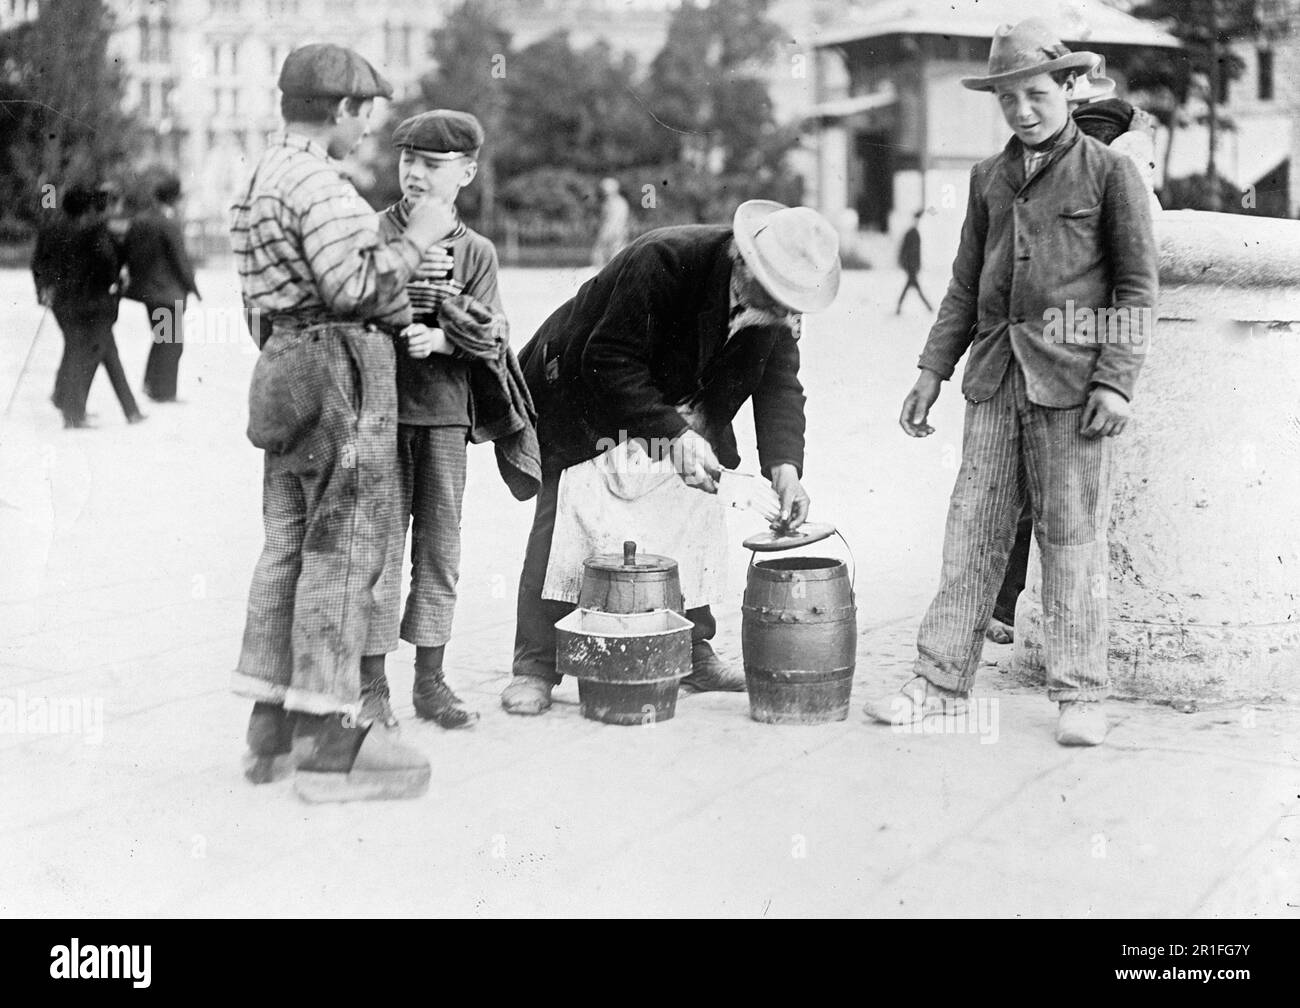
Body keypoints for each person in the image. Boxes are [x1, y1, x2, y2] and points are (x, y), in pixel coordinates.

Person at [863, 19, 1158, 747]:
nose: (1023, 111)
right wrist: (932, 370)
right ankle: (938, 681)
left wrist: (1116, 382)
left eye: (1036, 94)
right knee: (973, 528)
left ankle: (1081, 694)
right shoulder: (986, 178)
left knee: (1072, 538)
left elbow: (1135, 287)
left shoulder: (1110, 171)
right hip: (994, 380)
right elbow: (965, 285)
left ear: (1068, 87)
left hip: (1074, 384)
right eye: (1008, 99)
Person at [502, 200, 841, 716]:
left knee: (692, 515)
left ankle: (689, 651)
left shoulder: (776, 304)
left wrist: (785, 469)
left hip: (679, 405)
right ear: (746, 264)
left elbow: (779, 385)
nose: (787, 314)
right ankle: (535, 665)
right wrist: (674, 434)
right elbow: (607, 357)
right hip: (582, 390)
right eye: (779, 298)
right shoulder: (662, 260)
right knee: (568, 525)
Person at [230, 43, 458, 802]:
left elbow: (264, 298)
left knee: (288, 545)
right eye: (365, 114)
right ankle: (334, 738)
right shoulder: (318, 182)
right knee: (346, 546)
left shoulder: (261, 175)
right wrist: (420, 236)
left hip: (283, 365)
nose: (367, 132)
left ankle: (273, 725)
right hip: (339, 372)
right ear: (338, 109)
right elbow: (355, 283)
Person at [366, 109, 540, 731]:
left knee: (439, 551)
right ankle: (370, 688)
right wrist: (397, 311)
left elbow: (493, 333)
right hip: (377, 416)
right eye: (407, 160)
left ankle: (430, 681)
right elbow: (346, 304)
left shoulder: (476, 251)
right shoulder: (373, 233)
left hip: (443, 418)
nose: (415, 174)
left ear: (466, 172)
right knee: (378, 549)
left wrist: (442, 341)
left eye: (432, 164)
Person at [985, 56, 1164, 647]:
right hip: (1073, 346)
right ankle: (1022, 615)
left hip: (1066, 344)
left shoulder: (1092, 148)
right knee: (1060, 512)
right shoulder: (1119, 138)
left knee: (1036, 509)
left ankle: (1009, 608)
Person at [31, 183, 145, 429]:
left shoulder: (51, 228)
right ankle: (73, 413)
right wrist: (116, 282)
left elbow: (38, 263)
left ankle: (129, 409)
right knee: (84, 353)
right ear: (89, 207)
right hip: (95, 303)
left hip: (63, 302)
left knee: (101, 350)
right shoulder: (94, 231)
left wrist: (44, 291)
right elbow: (106, 262)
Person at [123, 171, 201, 403]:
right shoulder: (168, 224)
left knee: (161, 338)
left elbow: (129, 251)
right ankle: (164, 392)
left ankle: (151, 385)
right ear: (175, 198)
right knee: (172, 343)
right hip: (169, 292)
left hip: (148, 291)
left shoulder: (140, 220)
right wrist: (193, 287)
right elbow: (181, 260)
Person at [895, 210, 933, 313]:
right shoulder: (912, 233)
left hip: (913, 265)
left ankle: (899, 307)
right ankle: (929, 307)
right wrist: (906, 263)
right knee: (914, 287)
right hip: (911, 265)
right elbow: (905, 250)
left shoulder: (914, 232)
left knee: (910, 286)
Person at [590, 176, 630, 268]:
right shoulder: (618, 202)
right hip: (615, 232)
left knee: (604, 255)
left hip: (613, 232)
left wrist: (607, 233)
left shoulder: (617, 203)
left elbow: (614, 221)